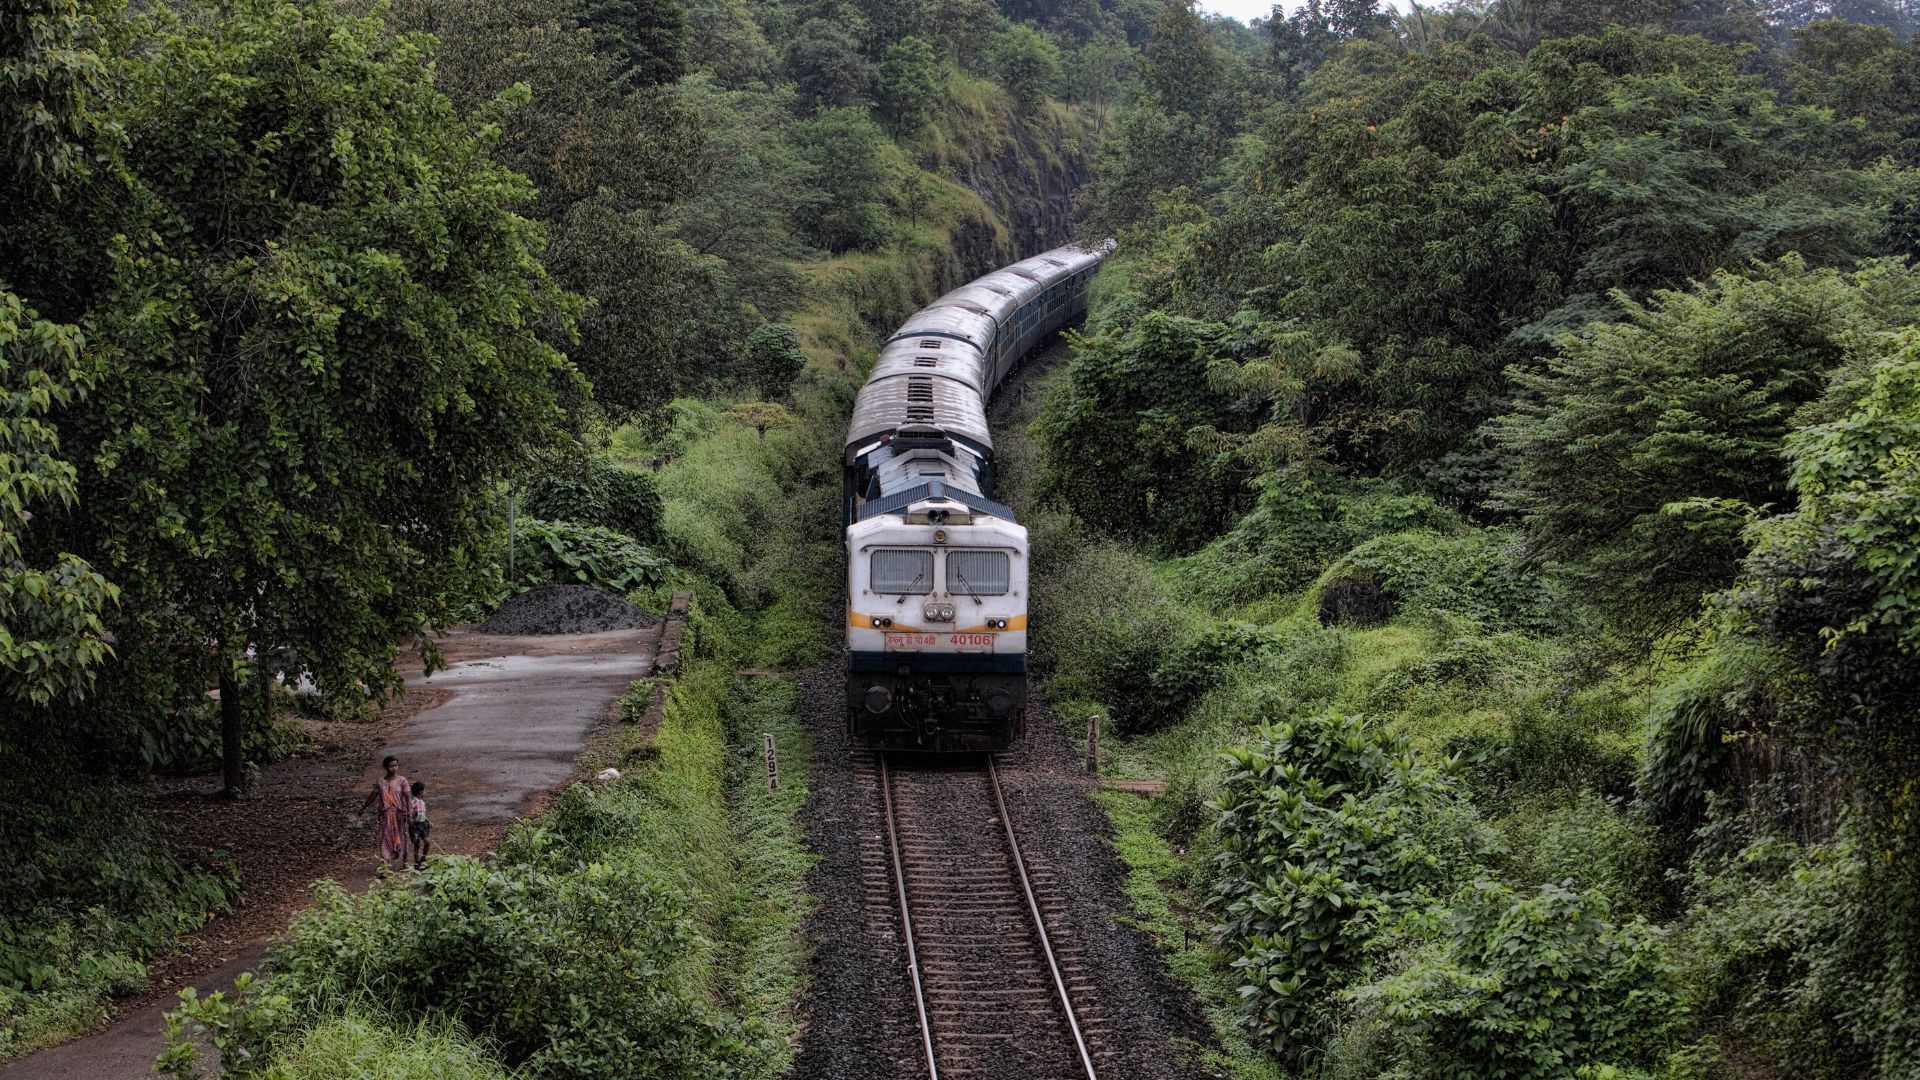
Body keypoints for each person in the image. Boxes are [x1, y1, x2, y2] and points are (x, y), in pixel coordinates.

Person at [359, 756, 411, 871]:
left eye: (396, 765)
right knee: (385, 837)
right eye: (391, 766)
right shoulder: (381, 782)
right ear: (386, 767)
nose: (394, 768)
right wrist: (364, 807)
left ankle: (405, 861)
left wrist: (409, 813)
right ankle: (385, 864)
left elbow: (407, 797)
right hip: (385, 815)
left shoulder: (402, 780)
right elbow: (373, 795)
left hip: (399, 814)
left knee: (402, 836)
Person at [408, 780, 431, 869]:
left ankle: (423, 858)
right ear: (420, 792)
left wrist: (429, 821)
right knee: (417, 844)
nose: (425, 792)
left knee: (427, 841)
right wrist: (410, 820)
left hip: (423, 825)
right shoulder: (413, 802)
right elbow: (410, 813)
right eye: (424, 790)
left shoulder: (422, 802)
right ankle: (416, 862)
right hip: (415, 826)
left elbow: (423, 814)